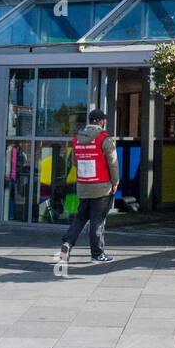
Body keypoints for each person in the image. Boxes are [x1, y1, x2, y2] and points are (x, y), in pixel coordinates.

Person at [59, 108, 118, 265]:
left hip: (84, 185)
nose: (103, 122)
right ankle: (97, 254)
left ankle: (67, 244)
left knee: (81, 217)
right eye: (103, 120)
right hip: (101, 186)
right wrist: (115, 182)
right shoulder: (104, 138)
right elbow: (113, 163)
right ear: (100, 121)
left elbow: (74, 162)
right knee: (97, 220)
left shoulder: (77, 139)